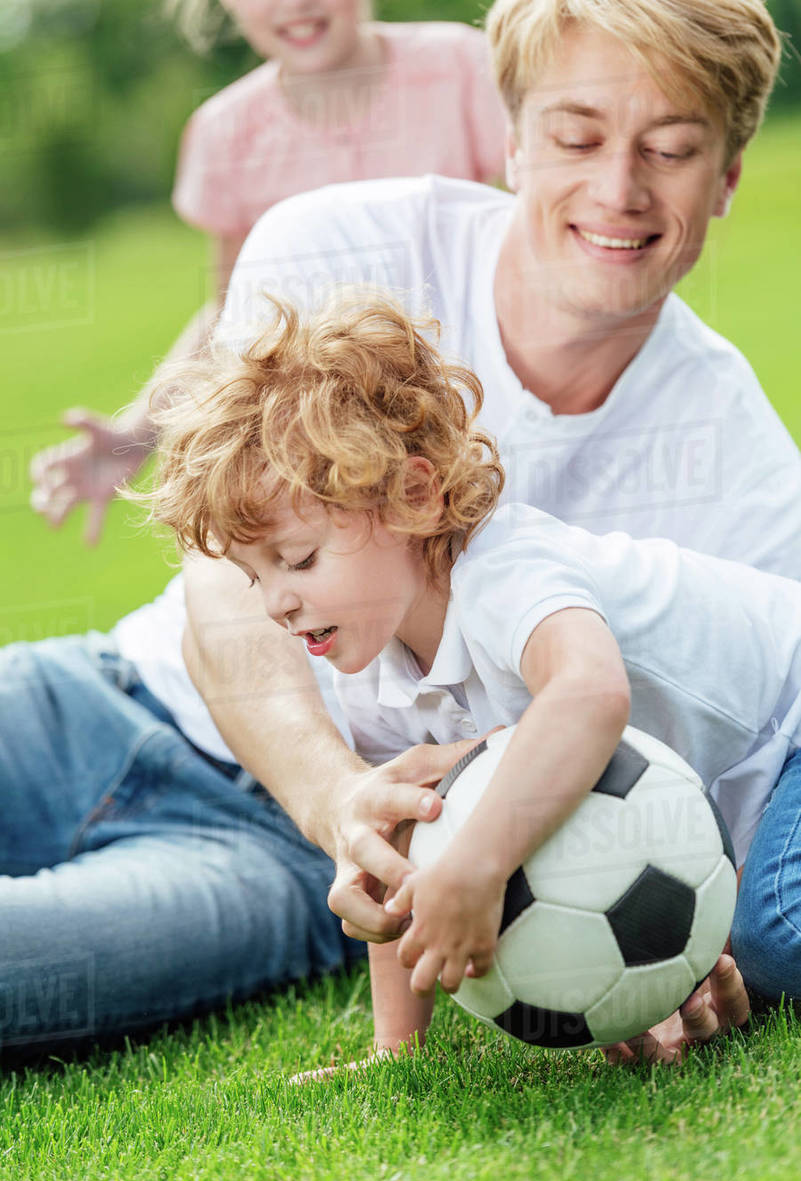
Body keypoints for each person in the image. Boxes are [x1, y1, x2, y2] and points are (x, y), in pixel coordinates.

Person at [8, 0, 789, 1058]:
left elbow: (697, 766)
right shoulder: (340, 243)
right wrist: (342, 801)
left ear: (729, 175)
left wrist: (663, 945)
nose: (618, 189)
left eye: (674, 150)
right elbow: (227, 576)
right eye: (575, 137)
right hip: (121, 694)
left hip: (263, 855)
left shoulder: (726, 458)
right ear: (509, 137)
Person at [145, 288, 801, 1074]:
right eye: (254, 579)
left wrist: (478, 865)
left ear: (413, 496)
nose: (278, 603)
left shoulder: (504, 572)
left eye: (299, 560)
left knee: (778, 933)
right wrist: (400, 1050)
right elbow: (405, 842)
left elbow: (588, 697)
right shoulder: (380, 661)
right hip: (755, 794)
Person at [29, 0, 505, 544]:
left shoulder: (462, 66)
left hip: (472, 427)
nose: (294, 5)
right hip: (332, 464)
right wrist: (137, 435)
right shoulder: (227, 132)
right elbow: (233, 315)